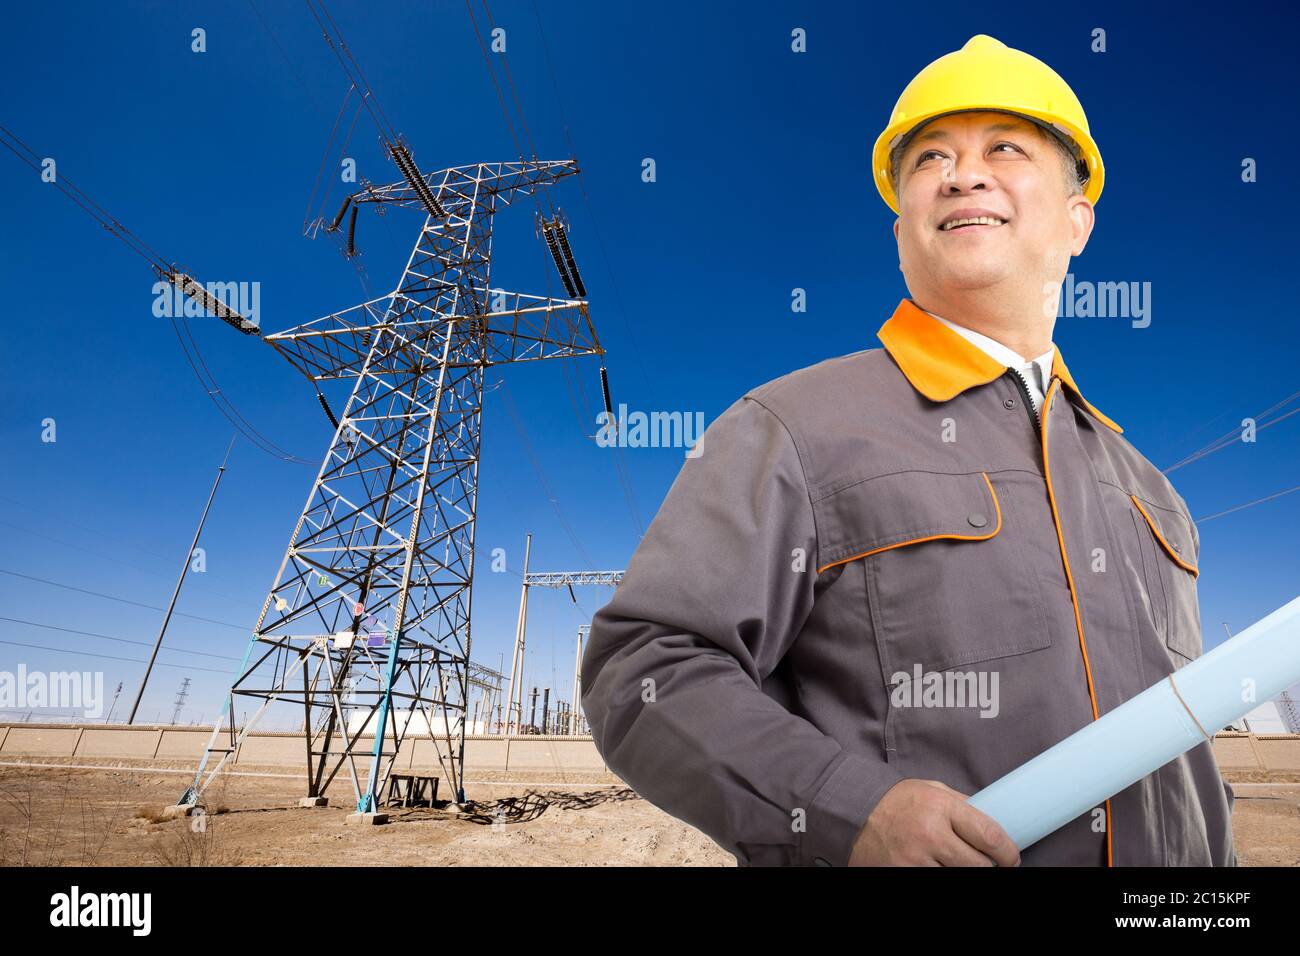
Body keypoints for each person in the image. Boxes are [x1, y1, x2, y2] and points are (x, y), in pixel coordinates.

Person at [580, 35, 1235, 866]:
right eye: (930, 159)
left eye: (1004, 146)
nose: (964, 174)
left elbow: (1188, 767)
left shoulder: (1153, 495)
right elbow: (643, 668)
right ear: (902, 229)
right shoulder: (792, 427)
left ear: (1079, 220)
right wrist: (846, 810)